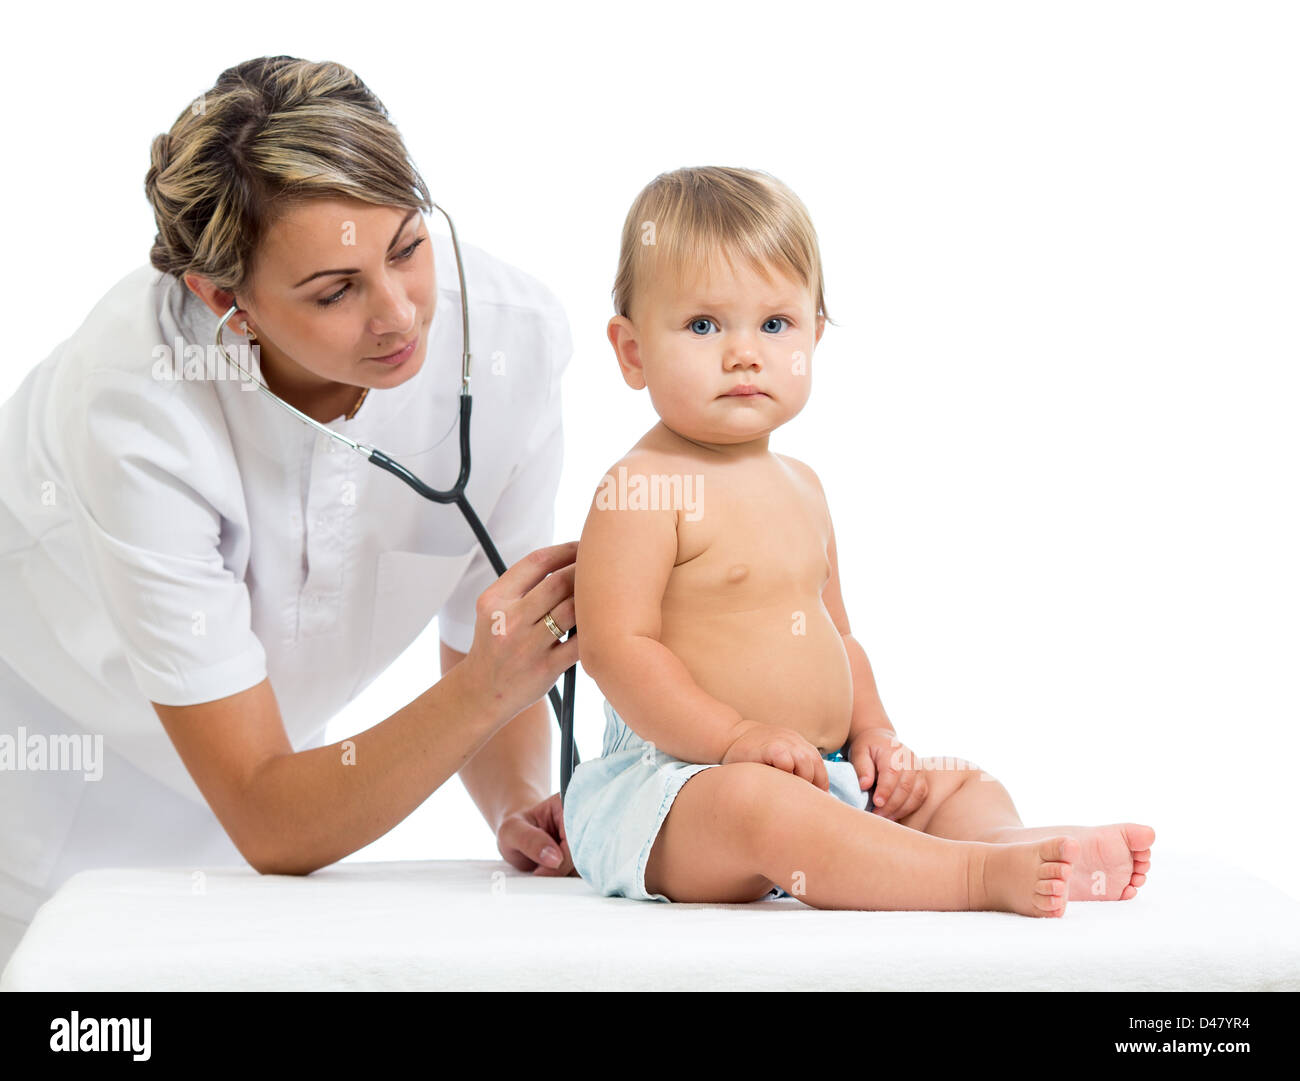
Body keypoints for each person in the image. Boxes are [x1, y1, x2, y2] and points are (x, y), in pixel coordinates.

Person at [0, 56, 579, 974]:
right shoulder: (134, 407)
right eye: (335, 290)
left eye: (407, 246)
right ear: (225, 301)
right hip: (58, 787)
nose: (400, 317)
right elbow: (272, 813)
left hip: (293, 789)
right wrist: (484, 689)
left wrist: (518, 800)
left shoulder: (508, 341)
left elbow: (487, 637)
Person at [563, 165, 1156, 915]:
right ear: (633, 351)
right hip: (674, 790)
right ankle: (971, 879)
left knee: (960, 779)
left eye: (774, 325)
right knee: (759, 804)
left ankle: (1007, 841)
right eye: (705, 325)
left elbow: (838, 634)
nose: (745, 352)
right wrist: (735, 736)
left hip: (826, 773)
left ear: (814, 333)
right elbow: (619, 650)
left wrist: (876, 734)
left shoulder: (804, 485)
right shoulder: (641, 486)